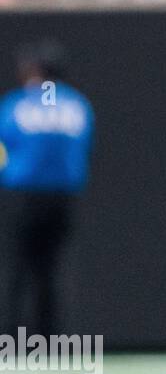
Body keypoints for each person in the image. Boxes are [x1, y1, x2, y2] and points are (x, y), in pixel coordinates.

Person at [0, 42, 94, 336]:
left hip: (23, 195)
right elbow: (83, 148)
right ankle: (51, 339)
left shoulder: (17, 104)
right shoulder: (77, 104)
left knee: (13, 268)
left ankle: (9, 338)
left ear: (33, 70)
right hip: (63, 196)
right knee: (51, 269)